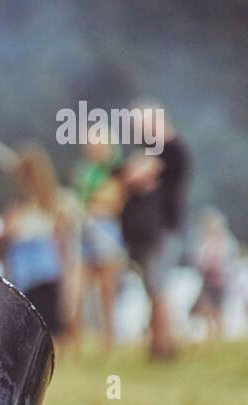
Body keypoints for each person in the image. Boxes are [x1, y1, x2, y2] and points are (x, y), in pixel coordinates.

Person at [119, 100, 191, 360]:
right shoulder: (154, 150)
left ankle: (163, 349)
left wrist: (139, 168)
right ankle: (160, 345)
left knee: (159, 287)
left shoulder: (172, 149)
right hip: (149, 231)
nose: (139, 132)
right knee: (153, 287)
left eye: (142, 125)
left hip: (163, 228)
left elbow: (133, 176)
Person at [0, 143, 70, 343]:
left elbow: (7, 234)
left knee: (37, 322)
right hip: (42, 267)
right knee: (47, 323)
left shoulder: (23, 206)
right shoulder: (50, 202)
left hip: (31, 270)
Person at [73, 137, 127, 351]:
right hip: (85, 236)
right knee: (76, 294)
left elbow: (115, 202)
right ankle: (75, 345)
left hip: (106, 235)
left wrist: (91, 206)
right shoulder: (85, 172)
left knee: (106, 296)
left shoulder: (115, 171)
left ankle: (109, 343)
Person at [191, 207, 239, 340]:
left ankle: (219, 332)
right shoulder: (203, 243)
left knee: (219, 309)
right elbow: (199, 261)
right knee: (207, 308)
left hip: (221, 282)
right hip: (208, 281)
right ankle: (212, 332)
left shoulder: (227, 242)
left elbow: (230, 263)